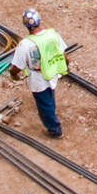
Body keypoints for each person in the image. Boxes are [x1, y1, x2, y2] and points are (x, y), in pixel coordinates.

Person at [9, 8, 69, 139]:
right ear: (39, 21)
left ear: (25, 25)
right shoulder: (53, 35)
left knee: (44, 103)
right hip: (52, 72)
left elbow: (17, 67)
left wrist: (13, 74)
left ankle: (55, 130)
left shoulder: (25, 45)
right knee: (49, 95)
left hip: (37, 78)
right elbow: (64, 54)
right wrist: (66, 66)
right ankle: (51, 111)